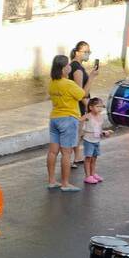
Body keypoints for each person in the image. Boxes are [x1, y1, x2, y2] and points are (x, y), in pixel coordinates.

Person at [47, 55, 87, 191]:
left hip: (54, 118)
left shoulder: (52, 83)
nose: (70, 66)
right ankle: (65, 183)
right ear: (64, 69)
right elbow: (83, 95)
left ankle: (52, 180)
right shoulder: (69, 84)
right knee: (66, 153)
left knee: (53, 152)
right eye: (68, 65)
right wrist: (92, 77)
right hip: (68, 119)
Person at [81, 98, 112, 185]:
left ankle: (93, 174)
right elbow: (78, 121)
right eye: (97, 106)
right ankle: (87, 176)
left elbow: (99, 129)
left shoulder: (100, 116)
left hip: (96, 140)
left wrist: (104, 133)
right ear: (91, 107)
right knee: (88, 158)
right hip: (88, 140)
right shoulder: (88, 116)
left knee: (94, 158)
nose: (99, 108)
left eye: (101, 106)